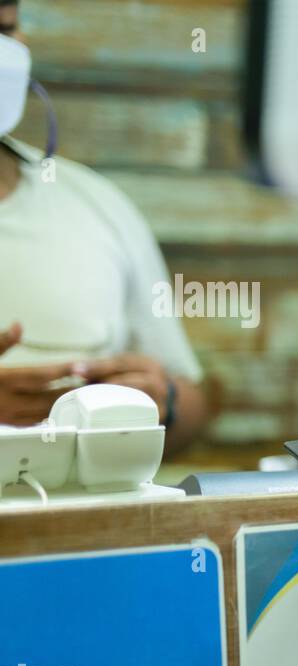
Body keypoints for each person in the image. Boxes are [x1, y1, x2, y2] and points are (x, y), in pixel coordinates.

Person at [0, 0, 208, 452]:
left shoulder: (94, 203)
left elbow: (190, 404)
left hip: (94, 522)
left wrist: (161, 401)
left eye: (4, 27)